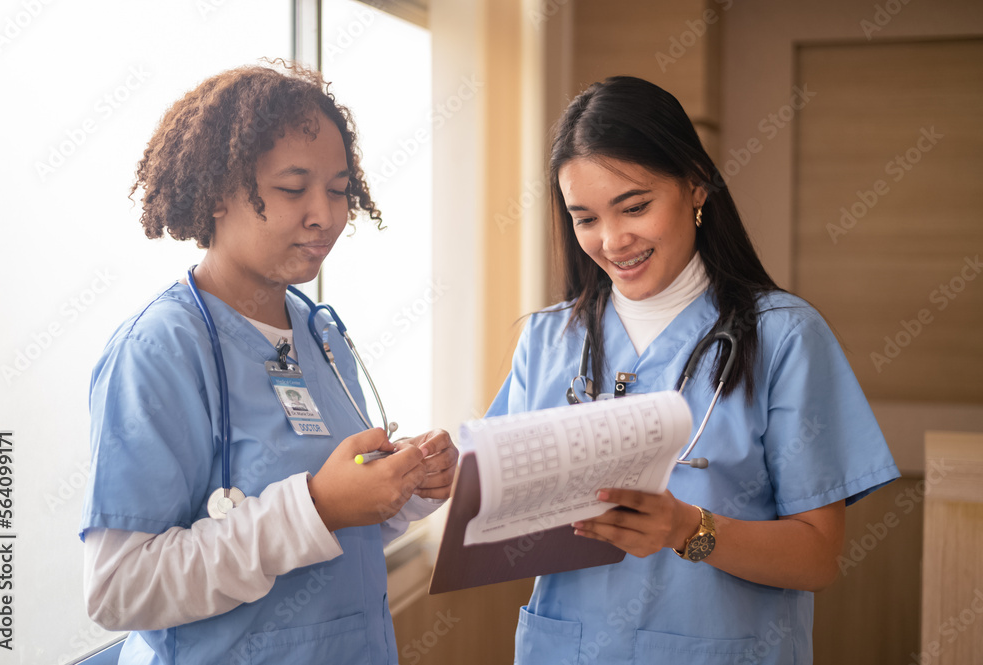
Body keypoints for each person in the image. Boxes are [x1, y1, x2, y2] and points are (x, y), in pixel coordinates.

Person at [486, 76, 899, 665]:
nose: (611, 241)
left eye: (635, 207)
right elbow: (505, 520)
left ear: (696, 185)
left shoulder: (784, 336)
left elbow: (818, 559)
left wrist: (686, 528)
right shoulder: (548, 339)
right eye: (585, 218)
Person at [80, 61, 458, 665]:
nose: (325, 215)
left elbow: (337, 533)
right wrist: (319, 505)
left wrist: (404, 489)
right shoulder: (159, 351)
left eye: (338, 190)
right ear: (218, 192)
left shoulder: (319, 334)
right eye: (292, 188)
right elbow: (118, 589)